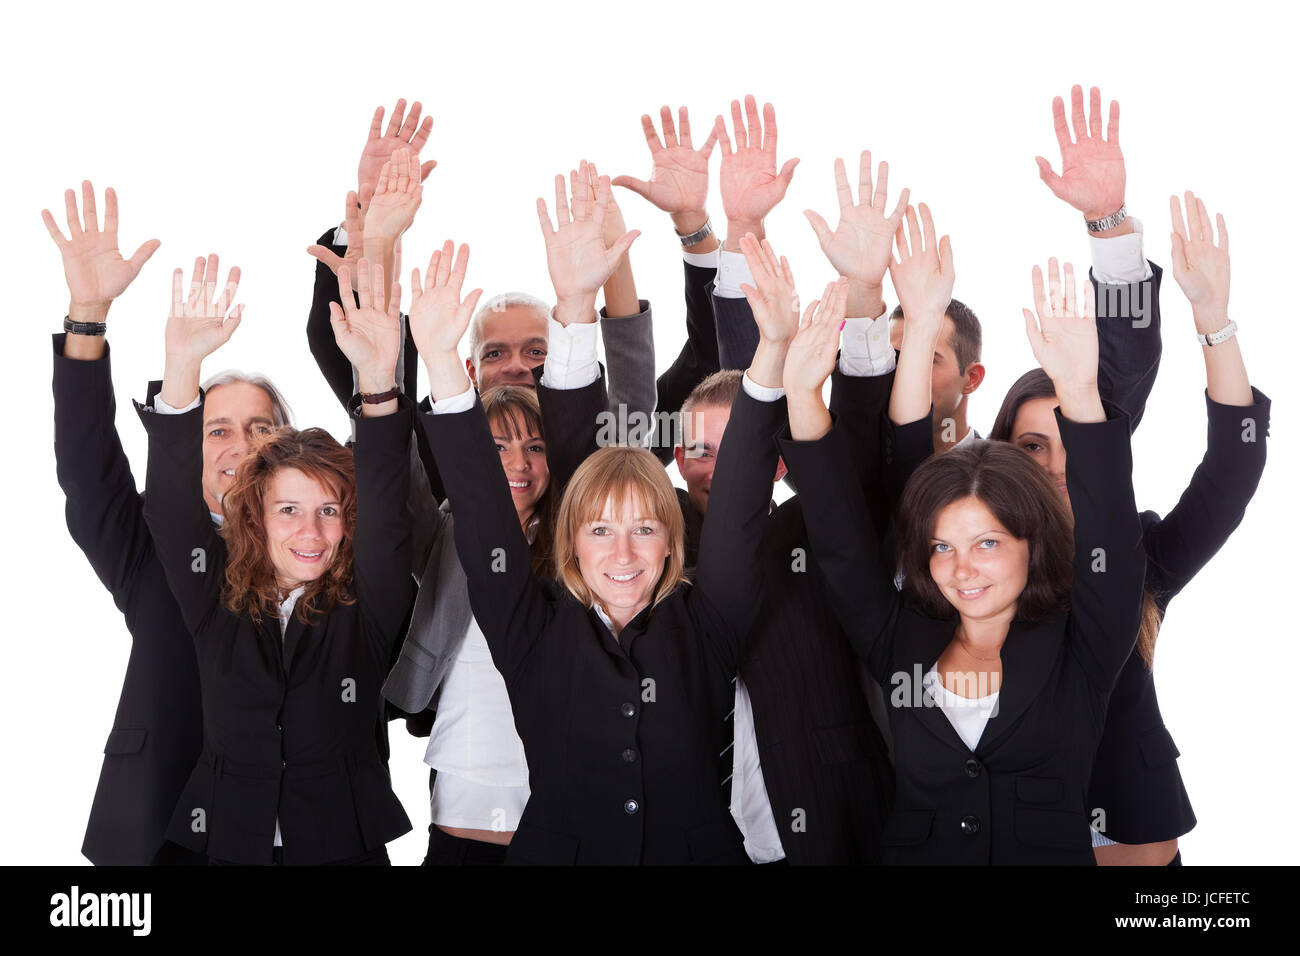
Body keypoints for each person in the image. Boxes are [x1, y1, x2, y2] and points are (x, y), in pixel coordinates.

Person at [411, 205, 839, 863]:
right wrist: (444, 360)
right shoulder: (529, 627)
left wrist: (773, 357)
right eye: (601, 528)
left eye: (644, 528)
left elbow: (740, 498)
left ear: (672, 541)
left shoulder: (709, 618)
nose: (622, 551)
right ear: (570, 540)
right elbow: (477, 500)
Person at [780, 212, 1148, 862]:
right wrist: (805, 395)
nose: (961, 568)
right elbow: (838, 535)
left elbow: (1112, 524)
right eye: (943, 547)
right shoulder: (901, 636)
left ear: (1030, 543)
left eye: (986, 544)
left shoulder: (1084, 640)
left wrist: (1083, 392)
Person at [990, 193, 1269, 865]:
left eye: (1071, 443)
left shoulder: (1138, 555)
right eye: (1032, 447)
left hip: (1134, 848)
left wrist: (1213, 322)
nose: (1056, 467)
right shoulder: (965, 561)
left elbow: (1233, 470)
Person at [135, 255, 414, 865]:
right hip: (223, 845)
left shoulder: (369, 604)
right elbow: (171, 508)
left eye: (330, 511)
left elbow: (390, 502)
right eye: (288, 510)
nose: (310, 531)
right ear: (256, 516)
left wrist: (377, 379)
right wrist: (181, 367)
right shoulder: (214, 599)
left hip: (343, 847)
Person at [46, 183, 290, 865]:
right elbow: (88, 467)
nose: (239, 445)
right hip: (157, 829)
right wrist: (88, 316)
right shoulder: (149, 548)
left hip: (288, 833)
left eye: (259, 428)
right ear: (190, 444)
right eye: (217, 429)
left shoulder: (322, 548)